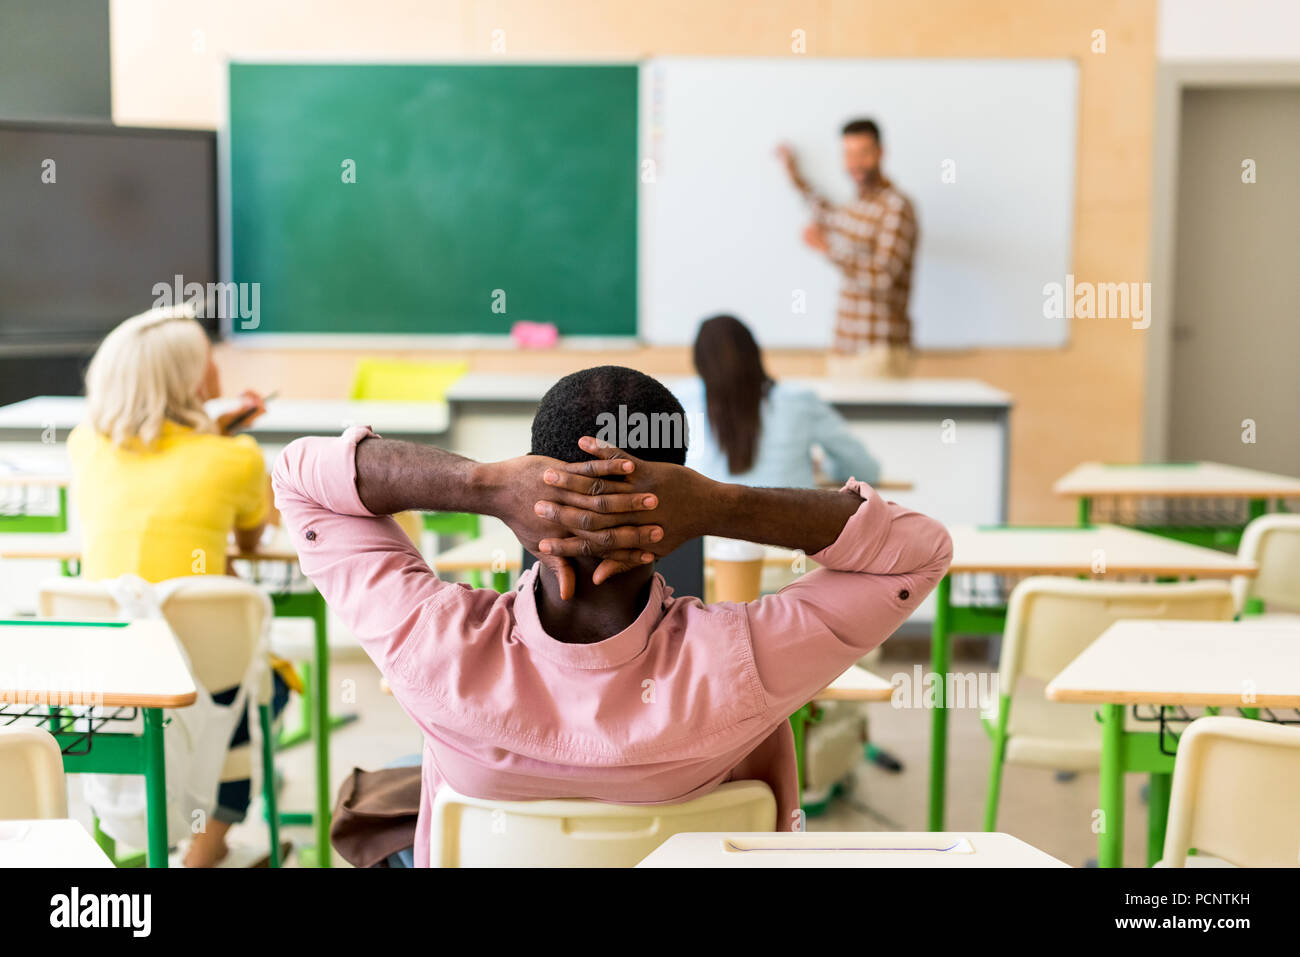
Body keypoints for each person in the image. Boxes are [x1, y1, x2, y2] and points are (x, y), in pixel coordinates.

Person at [272, 364, 951, 866]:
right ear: (677, 497)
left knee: (385, 794)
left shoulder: (433, 645)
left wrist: (482, 485)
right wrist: (719, 504)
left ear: (529, 487)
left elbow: (302, 479)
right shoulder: (745, 660)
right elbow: (920, 550)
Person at [68, 305, 287, 867]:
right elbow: (253, 534)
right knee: (261, 689)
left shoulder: (83, 445)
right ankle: (206, 849)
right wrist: (225, 439)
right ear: (196, 379)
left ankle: (123, 839)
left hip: (106, 671)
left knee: (213, 684)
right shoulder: (233, 457)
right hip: (202, 675)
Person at [777, 119, 918, 377]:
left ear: (880, 153)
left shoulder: (895, 207)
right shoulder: (858, 207)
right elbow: (826, 213)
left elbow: (883, 276)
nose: (855, 162)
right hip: (844, 351)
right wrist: (793, 174)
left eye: (863, 153)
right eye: (849, 154)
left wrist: (828, 250)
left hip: (878, 353)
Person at [681, 314, 880, 488]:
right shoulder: (799, 400)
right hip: (788, 528)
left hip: (709, 528)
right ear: (755, 353)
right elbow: (865, 469)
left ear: (698, 361)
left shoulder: (682, 399)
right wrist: (824, 467)